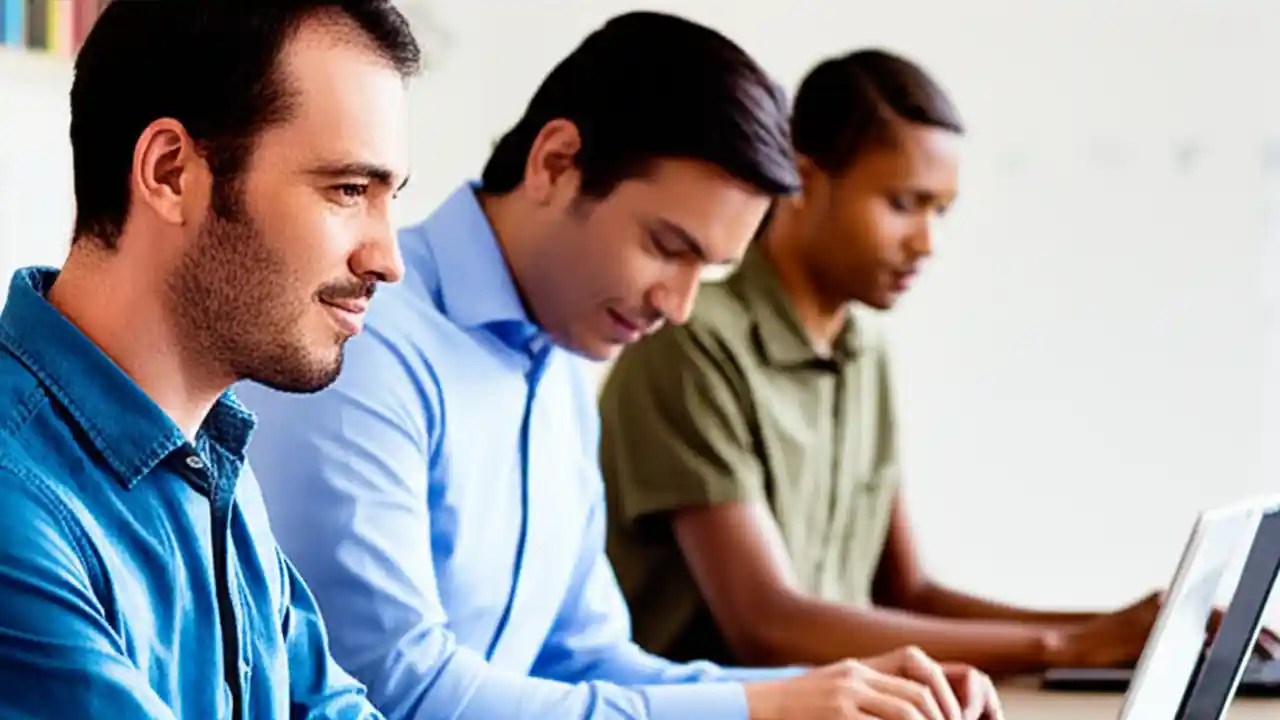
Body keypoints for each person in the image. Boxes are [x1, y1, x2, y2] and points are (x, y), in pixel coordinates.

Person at [239, 13, 1003, 720]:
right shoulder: (363, 341)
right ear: (556, 163)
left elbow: (587, 658)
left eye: (709, 268)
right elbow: (397, 692)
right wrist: (764, 709)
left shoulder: (561, 362)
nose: (679, 304)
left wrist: (851, 691)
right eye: (668, 247)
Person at [597, 48, 1171, 678]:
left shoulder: (863, 350)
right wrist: (1066, 647)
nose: (927, 242)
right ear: (802, 182)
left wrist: (1122, 634)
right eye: (902, 203)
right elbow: (769, 627)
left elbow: (908, 594)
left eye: (940, 211)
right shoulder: (691, 342)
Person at [0, 1, 420, 717]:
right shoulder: (19, 501)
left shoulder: (212, 460)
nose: (388, 260)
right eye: (348, 190)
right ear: (170, 172)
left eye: (389, 198)